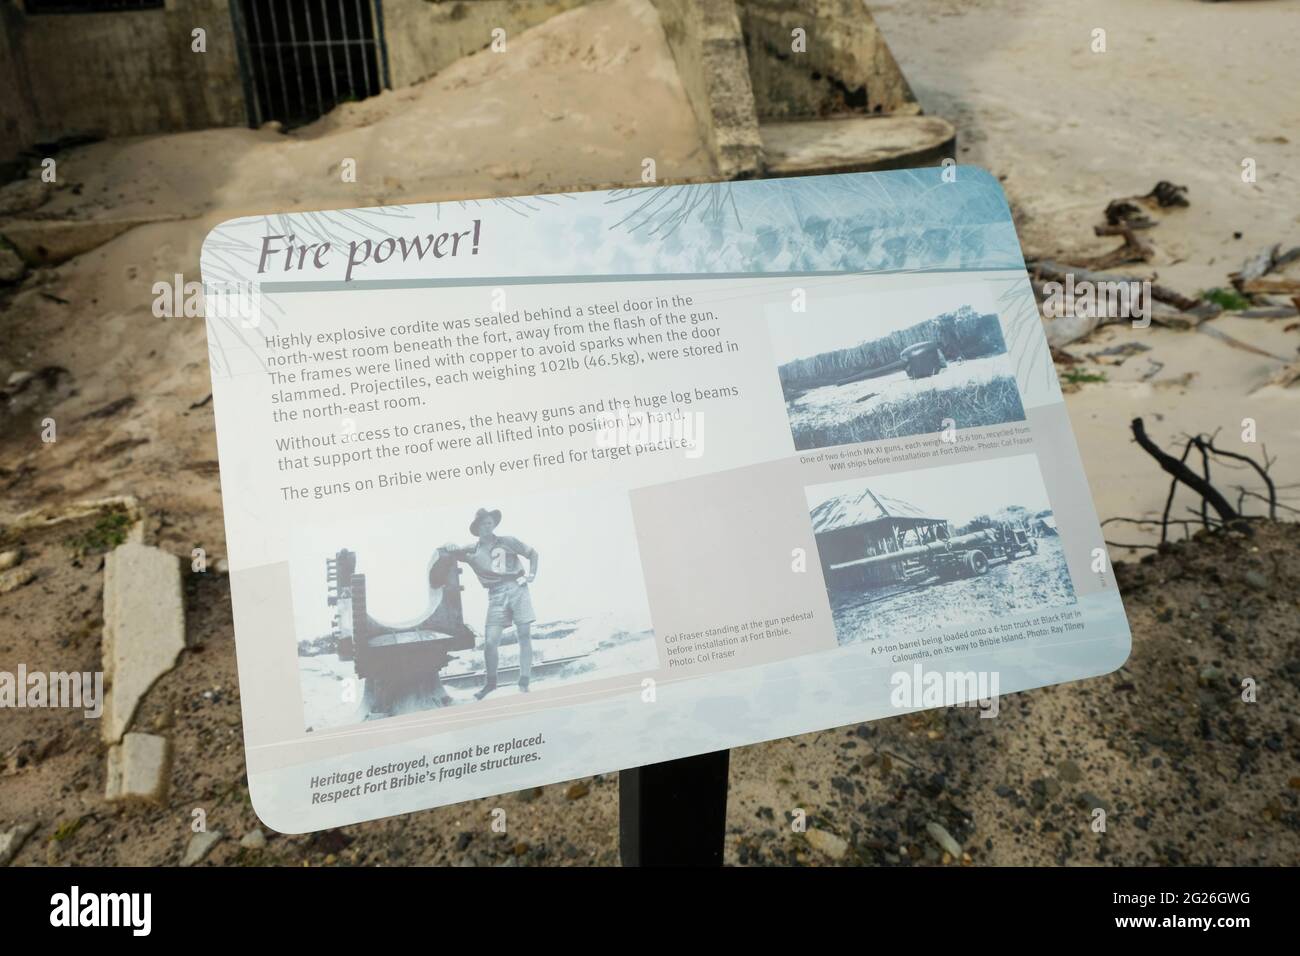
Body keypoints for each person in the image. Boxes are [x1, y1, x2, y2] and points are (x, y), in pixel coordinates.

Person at [442, 508, 539, 700]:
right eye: (482, 524)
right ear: (477, 528)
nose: (487, 526)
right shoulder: (472, 549)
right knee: (490, 642)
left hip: (517, 589)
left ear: (493, 524)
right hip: (495, 595)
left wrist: (531, 575)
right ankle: (491, 683)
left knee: (524, 634)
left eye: (489, 523)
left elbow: (533, 554)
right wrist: (449, 544)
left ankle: (524, 681)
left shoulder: (508, 541)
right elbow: (452, 551)